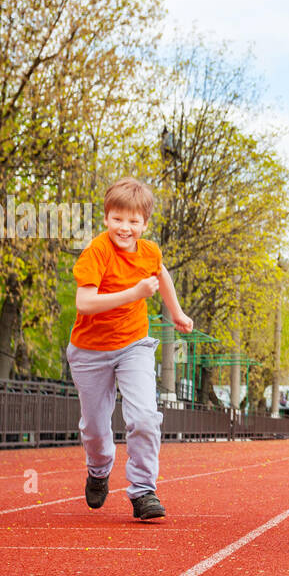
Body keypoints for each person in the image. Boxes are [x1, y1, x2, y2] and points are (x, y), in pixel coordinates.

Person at [67, 177, 193, 520]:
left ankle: (142, 491)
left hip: (133, 345)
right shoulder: (97, 251)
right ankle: (98, 468)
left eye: (134, 221)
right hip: (89, 350)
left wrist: (177, 312)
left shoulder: (149, 251)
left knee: (144, 418)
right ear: (106, 218)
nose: (125, 228)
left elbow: (161, 274)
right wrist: (134, 294)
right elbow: (85, 302)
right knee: (94, 427)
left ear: (144, 224)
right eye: (118, 219)